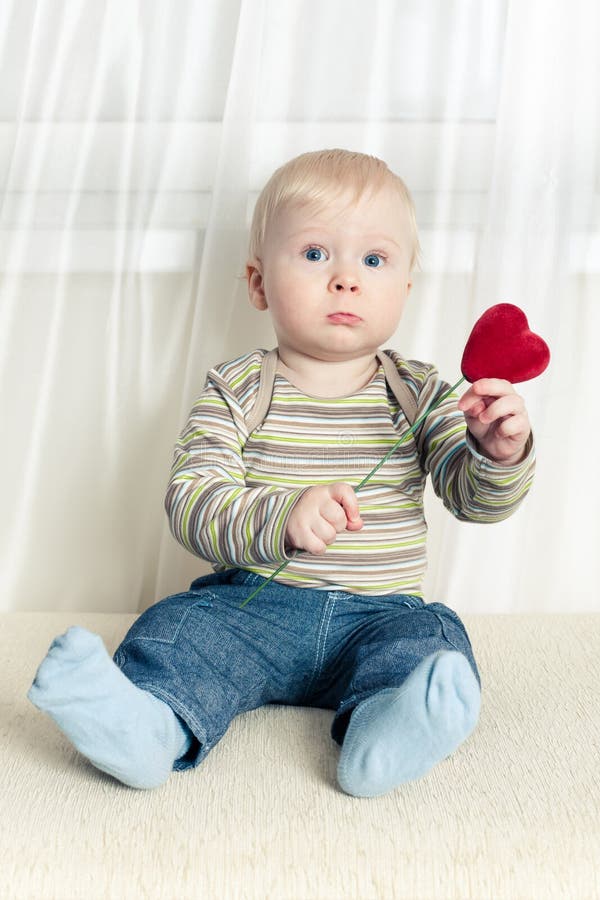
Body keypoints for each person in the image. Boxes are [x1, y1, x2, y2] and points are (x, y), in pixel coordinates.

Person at [28, 149, 535, 797]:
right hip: (252, 608)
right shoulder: (239, 387)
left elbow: (475, 501)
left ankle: (383, 735)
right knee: (177, 627)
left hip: (377, 616)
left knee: (431, 641)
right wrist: (280, 518)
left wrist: (496, 452)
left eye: (374, 260)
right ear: (258, 282)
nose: (346, 279)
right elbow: (193, 502)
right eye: (316, 254)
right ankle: (146, 725)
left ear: (405, 287)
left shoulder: (420, 393)